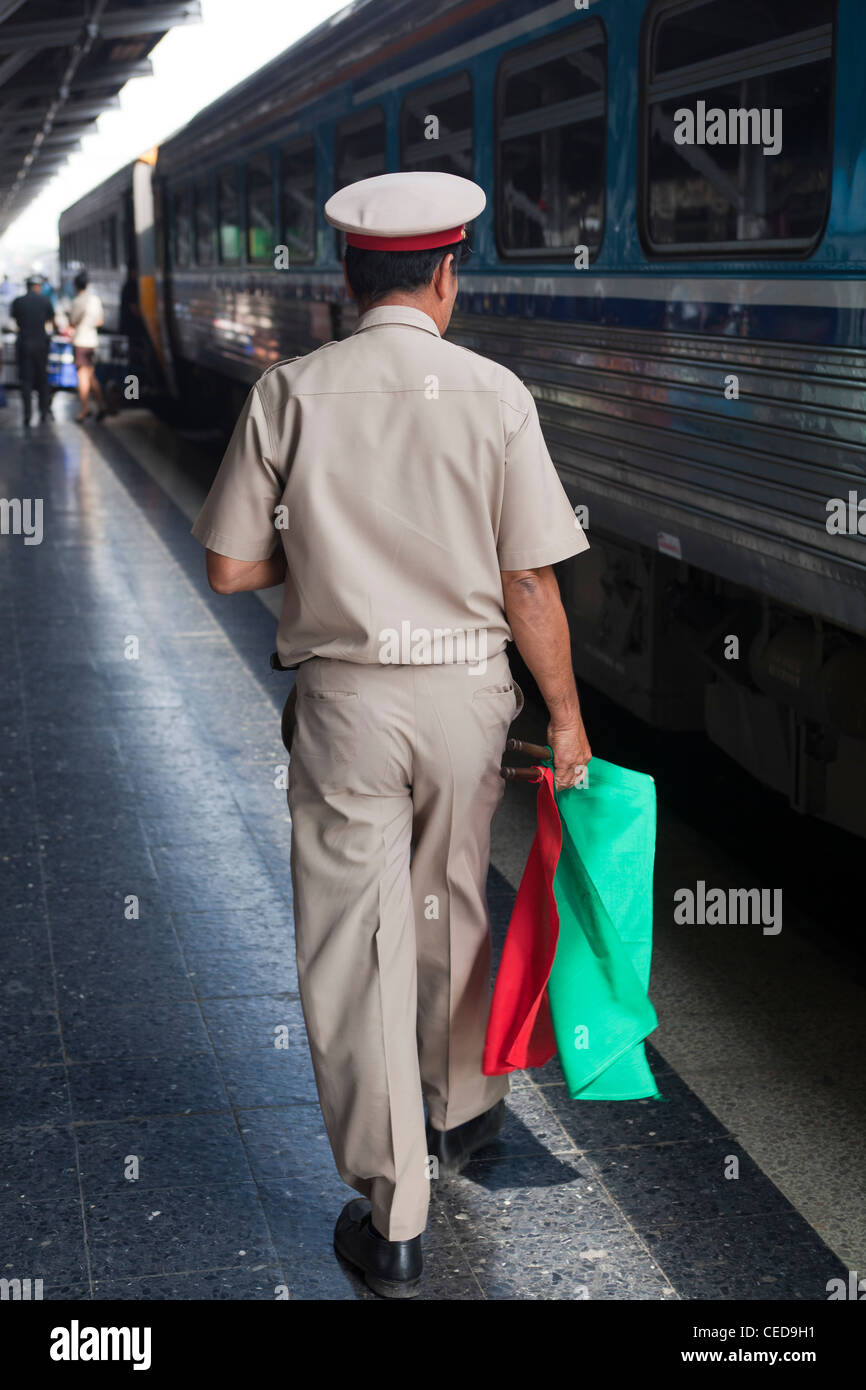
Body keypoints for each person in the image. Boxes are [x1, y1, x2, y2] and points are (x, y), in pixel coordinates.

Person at [191, 171, 592, 1299]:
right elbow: (526, 582)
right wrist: (562, 717)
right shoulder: (493, 391)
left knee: (353, 946)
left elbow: (228, 566)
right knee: (453, 899)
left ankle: (394, 1211)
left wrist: (323, 556)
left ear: (345, 282)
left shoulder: (293, 391)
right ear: (445, 274)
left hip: (349, 699)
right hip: (466, 693)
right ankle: (463, 1116)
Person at [10, 272, 54, 427]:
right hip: (41, 345)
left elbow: (14, 319)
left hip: (24, 345)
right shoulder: (45, 301)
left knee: (26, 381)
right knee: (42, 380)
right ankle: (43, 412)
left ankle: (27, 415)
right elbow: (51, 319)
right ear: (37, 286)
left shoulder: (18, 302)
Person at [68, 270, 106, 422]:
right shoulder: (95, 300)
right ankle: (102, 406)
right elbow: (100, 322)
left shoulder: (78, 301)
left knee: (82, 376)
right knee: (90, 375)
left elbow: (72, 322)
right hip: (92, 341)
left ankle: (85, 409)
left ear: (76, 286)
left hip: (81, 342)